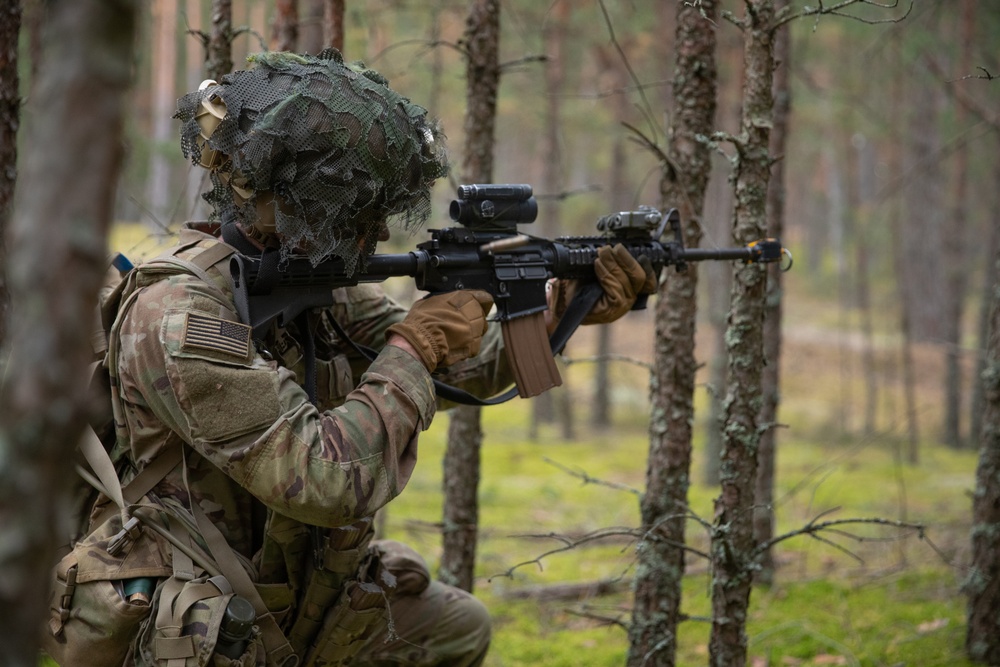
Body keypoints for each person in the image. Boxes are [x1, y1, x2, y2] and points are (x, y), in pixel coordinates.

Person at [45, 50, 654, 667]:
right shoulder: (177, 317)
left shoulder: (314, 288)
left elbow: (453, 367)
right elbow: (323, 479)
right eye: (352, 212)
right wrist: (416, 343)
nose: (377, 235)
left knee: (454, 625)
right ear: (286, 200)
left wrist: (558, 317)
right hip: (199, 616)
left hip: (289, 588)